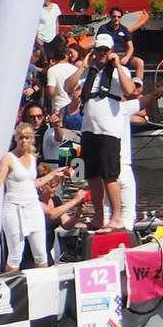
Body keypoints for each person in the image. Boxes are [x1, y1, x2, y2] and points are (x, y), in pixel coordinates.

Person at [63, 34, 136, 229]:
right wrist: (83, 66)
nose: (102, 53)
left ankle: (117, 217)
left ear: (111, 51)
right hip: (89, 131)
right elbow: (68, 87)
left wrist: (118, 66)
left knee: (109, 176)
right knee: (92, 176)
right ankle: (98, 217)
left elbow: (130, 91)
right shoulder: (89, 71)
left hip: (109, 131)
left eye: (106, 50)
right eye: (99, 50)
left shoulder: (120, 71)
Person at [0, 122, 65, 269]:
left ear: (31, 139)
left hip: (32, 205)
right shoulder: (8, 158)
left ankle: (42, 287)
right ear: (16, 138)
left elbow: (33, 183)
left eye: (27, 137)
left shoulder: (32, 157)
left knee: (41, 252)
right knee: (16, 253)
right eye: (21, 137)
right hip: (14, 207)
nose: (23, 141)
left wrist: (54, 173)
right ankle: (11, 289)